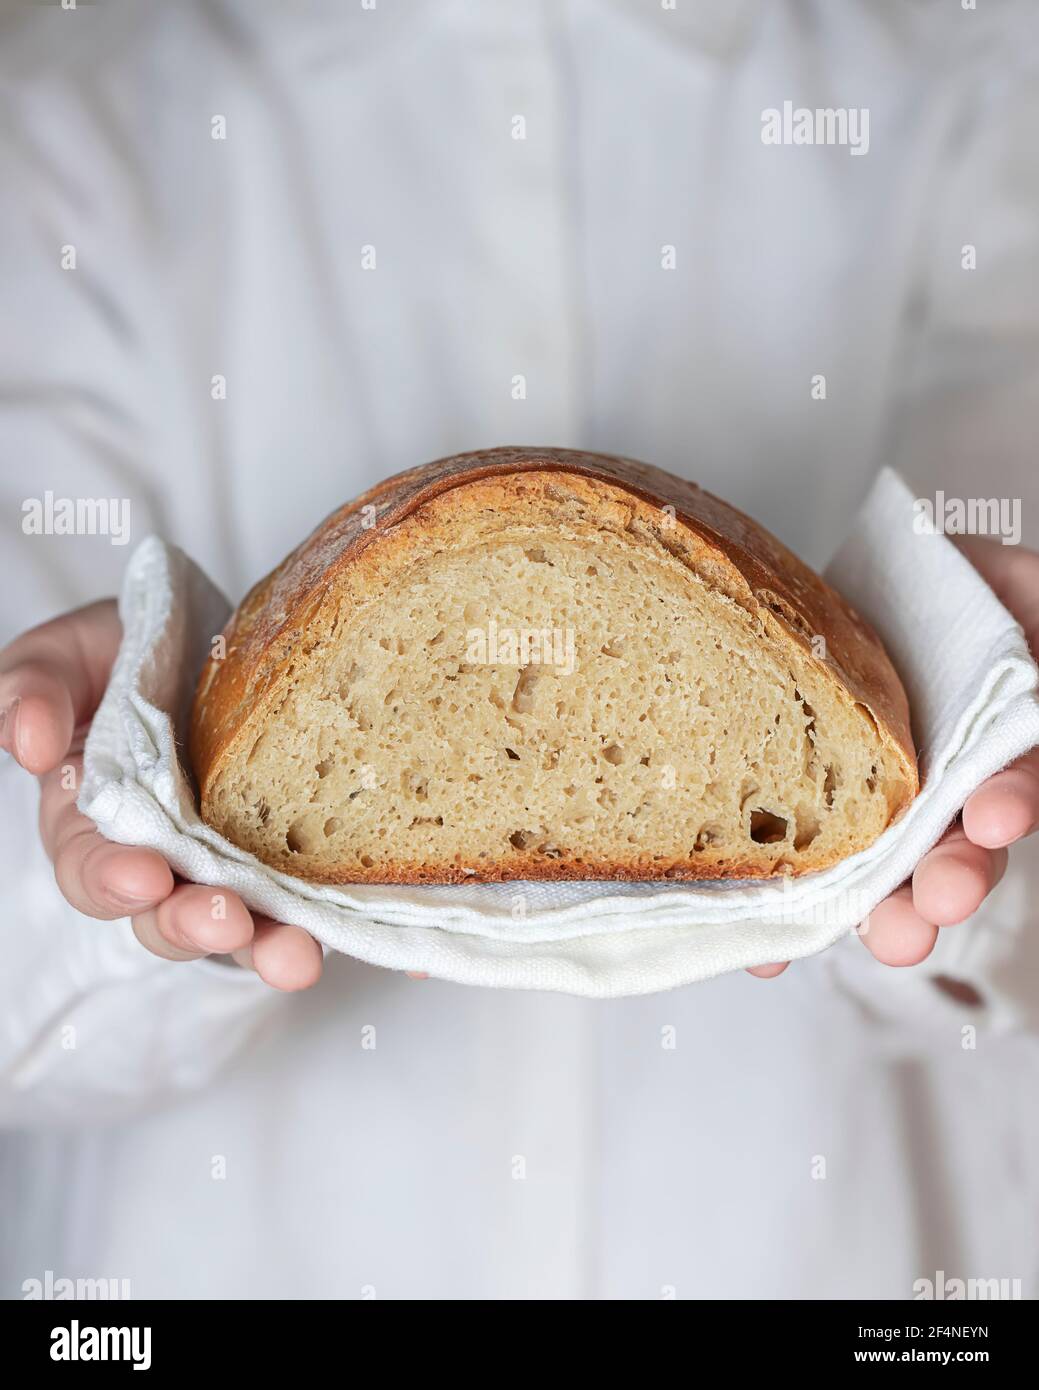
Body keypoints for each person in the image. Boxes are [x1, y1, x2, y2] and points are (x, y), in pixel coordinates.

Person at [1, 0, 1038, 1299]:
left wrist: (982, 728)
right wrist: (130, 802)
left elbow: (986, 785)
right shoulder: (69, 129)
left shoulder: (978, 79)